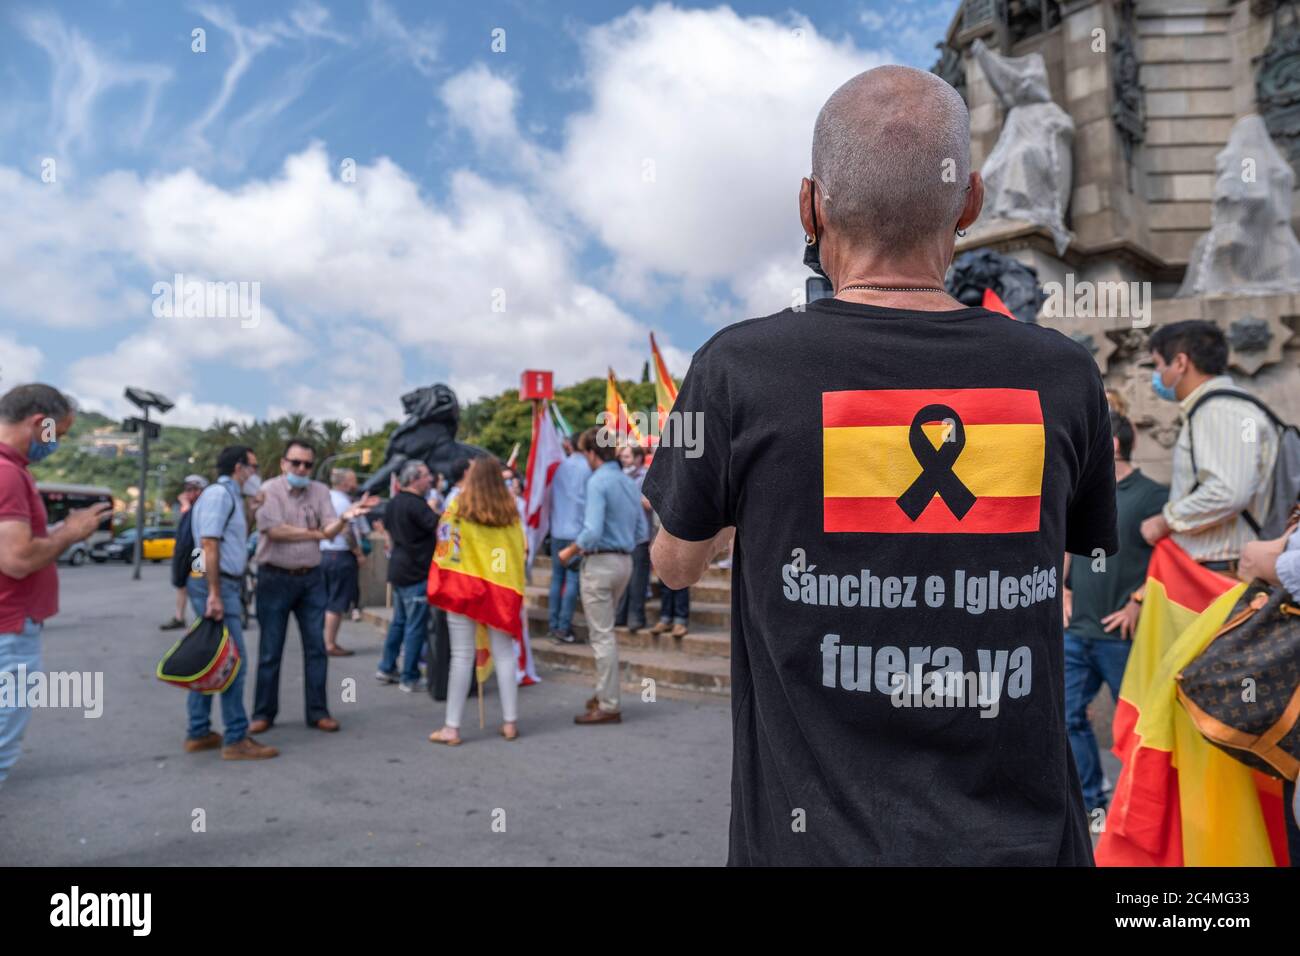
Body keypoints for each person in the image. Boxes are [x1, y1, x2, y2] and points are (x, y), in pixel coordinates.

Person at [643, 66, 1118, 864]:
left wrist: (738, 496)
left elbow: (675, 566)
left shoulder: (736, 370)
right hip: (1025, 844)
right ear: (969, 201)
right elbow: (1061, 559)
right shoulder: (1064, 376)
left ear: (810, 205)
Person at [0, 384, 112, 785]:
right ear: (38, 423)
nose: (56, 444)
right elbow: (17, 559)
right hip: (9, 627)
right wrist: (72, 532)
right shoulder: (7, 473)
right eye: (57, 434)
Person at [1061, 413, 1167, 812]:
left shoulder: (1155, 497)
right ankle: (1092, 803)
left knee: (1138, 727)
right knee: (1068, 719)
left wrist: (1137, 602)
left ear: (1114, 446)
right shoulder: (1088, 491)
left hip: (1122, 640)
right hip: (1077, 632)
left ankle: (1136, 809)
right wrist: (1061, 592)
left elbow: (1169, 561)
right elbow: (1070, 545)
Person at [250, 438, 375, 734]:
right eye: (296, 463)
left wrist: (344, 518)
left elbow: (331, 526)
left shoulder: (320, 491)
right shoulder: (269, 490)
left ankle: (318, 711)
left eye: (307, 464)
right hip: (274, 576)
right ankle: (263, 713)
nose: (302, 468)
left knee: (316, 648)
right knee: (270, 649)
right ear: (284, 464)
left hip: (311, 578)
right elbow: (274, 530)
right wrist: (317, 534)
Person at [1141, 320, 1279, 573]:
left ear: (1181, 363)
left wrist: (1166, 521)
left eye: (1158, 365)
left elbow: (1228, 491)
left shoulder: (1218, 411)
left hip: (1223, 572)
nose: (1157, 375)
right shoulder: (1228, 408)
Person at [184, 446, 277, 760]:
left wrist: (252, 508)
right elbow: (209, 543)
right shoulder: (220, 495)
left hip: (219, 582)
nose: (256, 473)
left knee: (212, 658)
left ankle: (198, 730)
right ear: (239, 467)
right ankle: (236, 737)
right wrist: (214, 592)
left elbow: (229, 539)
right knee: (233, 662)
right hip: (219, 583)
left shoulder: (229, 498)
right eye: (253, 466)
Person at [427, 457, 526, 745]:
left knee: (461, 656)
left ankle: (452, 728)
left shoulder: (457, 507)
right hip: (499, 589)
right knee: (505, 654)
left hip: (463, 587)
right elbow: (518, 552)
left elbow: (445, 546)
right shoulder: (510, 511)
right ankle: (510, 723)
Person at [557, 427, 647, 724]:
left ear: (592, 453)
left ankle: (608, 703)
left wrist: (571, 550)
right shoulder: (627, 481)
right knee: (605, 633)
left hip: (600, 563)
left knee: (602, 636)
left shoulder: (598, 481)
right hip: (625, 561)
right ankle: (603, 692)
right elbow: (640, 532)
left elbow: (592, 531)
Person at [377, 460, 438, 692]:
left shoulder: (393, 502)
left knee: (399, 622)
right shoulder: (417, 505)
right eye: (426, 475)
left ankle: (386, 666)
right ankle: (409, 676)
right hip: (416, 572)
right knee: (414, 626)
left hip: (399, 570)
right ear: (414, 479)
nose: (430, 479)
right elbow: (438, 526)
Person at [547, 435, 588, 643]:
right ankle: (563, 627)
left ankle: (553, 624)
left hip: (557, 530)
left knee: (557, 578)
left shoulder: (559, 467)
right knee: (571, 579)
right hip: (576, 532)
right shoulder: (587, 469)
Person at [320, 467, 364, 657]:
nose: (356, 484)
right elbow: (347, 532)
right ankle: (330, 644)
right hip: (340, 555)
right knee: (336, 602)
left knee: (328, 599)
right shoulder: (344, 503)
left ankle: (325, 640)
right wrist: (358, 553)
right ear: (345, 483)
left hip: (325, 554)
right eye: (354, 480)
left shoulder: (326, 498)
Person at [161, 475, 208, 631]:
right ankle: (179, 617)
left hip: (197, 552)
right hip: (183, 552)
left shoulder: (203, 506)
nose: (190, 493)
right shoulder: (188, 508)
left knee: (199, 585)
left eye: (194, 489)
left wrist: (186, 504)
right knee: (181, 584)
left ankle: (201, 618)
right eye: (188, 490)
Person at [615, 444, 652, 633]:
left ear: (638, 459)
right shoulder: (622, 477)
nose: (624, 460)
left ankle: (636, 617)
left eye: (627, 457)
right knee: (625, 578)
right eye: (622, 456)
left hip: (640, 536)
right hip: (623, 536)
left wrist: (632, 498)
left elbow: (650, 504)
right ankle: (621, 615)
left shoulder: (646, 476)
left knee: (638, 579)